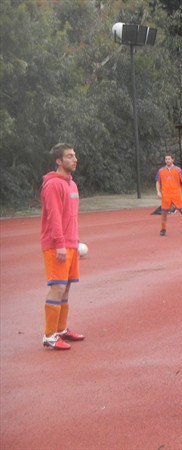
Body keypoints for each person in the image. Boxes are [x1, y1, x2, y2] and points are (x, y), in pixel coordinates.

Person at [40, 143, 85, 350]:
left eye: (74, 156)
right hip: (56, 245)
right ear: (59, 161)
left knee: (65, 288)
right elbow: (54, 217)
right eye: (69, 156)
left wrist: (74, 241)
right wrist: (59, 244)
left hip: (71, 244)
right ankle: (49, 335)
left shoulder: (72, 184)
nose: (74, 159)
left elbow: (71, 217)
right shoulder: (52, 185)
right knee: (57, 287)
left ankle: (61, 329)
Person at [155, 154, 182, 236]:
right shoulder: (161, 171)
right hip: (166, 195)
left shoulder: (178, 170)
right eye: (166, 159)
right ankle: (163, 229)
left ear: (173, 160)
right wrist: (158, 191)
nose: (167, 160)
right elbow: (158, 181)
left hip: (176, 194)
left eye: (169, 159)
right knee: (164, 212)